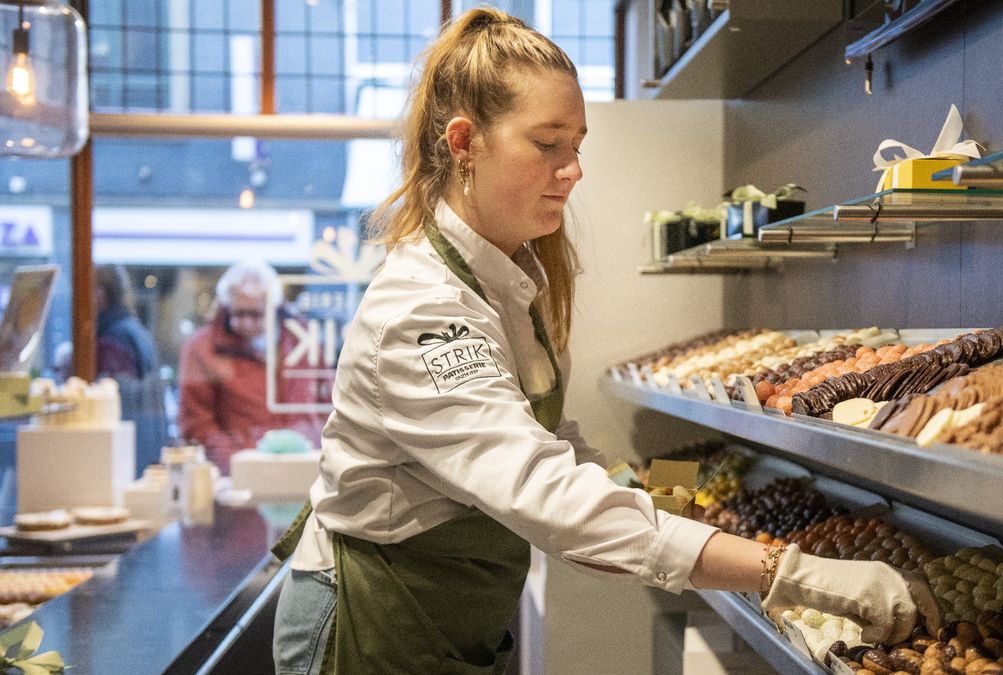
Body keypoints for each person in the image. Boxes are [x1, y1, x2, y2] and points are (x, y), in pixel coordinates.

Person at [271, 9, 939, 674]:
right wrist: (788, 572)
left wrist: (673, 495)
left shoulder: (513, 279)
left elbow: (554, 444)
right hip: (369, 620)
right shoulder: (423, 308)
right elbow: (546, 491)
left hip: (445, 620)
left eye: (577, 145)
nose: (573, 170)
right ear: (464, 142)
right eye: (547, 143)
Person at [178, 259, 322, 473]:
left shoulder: (301, 339)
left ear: (274, 308)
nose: (246, 323)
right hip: (241, 471)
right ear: (227, 307)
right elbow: (197, 423)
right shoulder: (202, 348)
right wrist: (238, 465)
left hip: (305, 463)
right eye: (238, 313)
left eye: (256, 314)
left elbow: (325, 399)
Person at [94, 264, 167, 473]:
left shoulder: (114, 338)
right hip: (146, 452)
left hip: (127, 456)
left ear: (99, 293)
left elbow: (114, 408)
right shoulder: (135, 331)